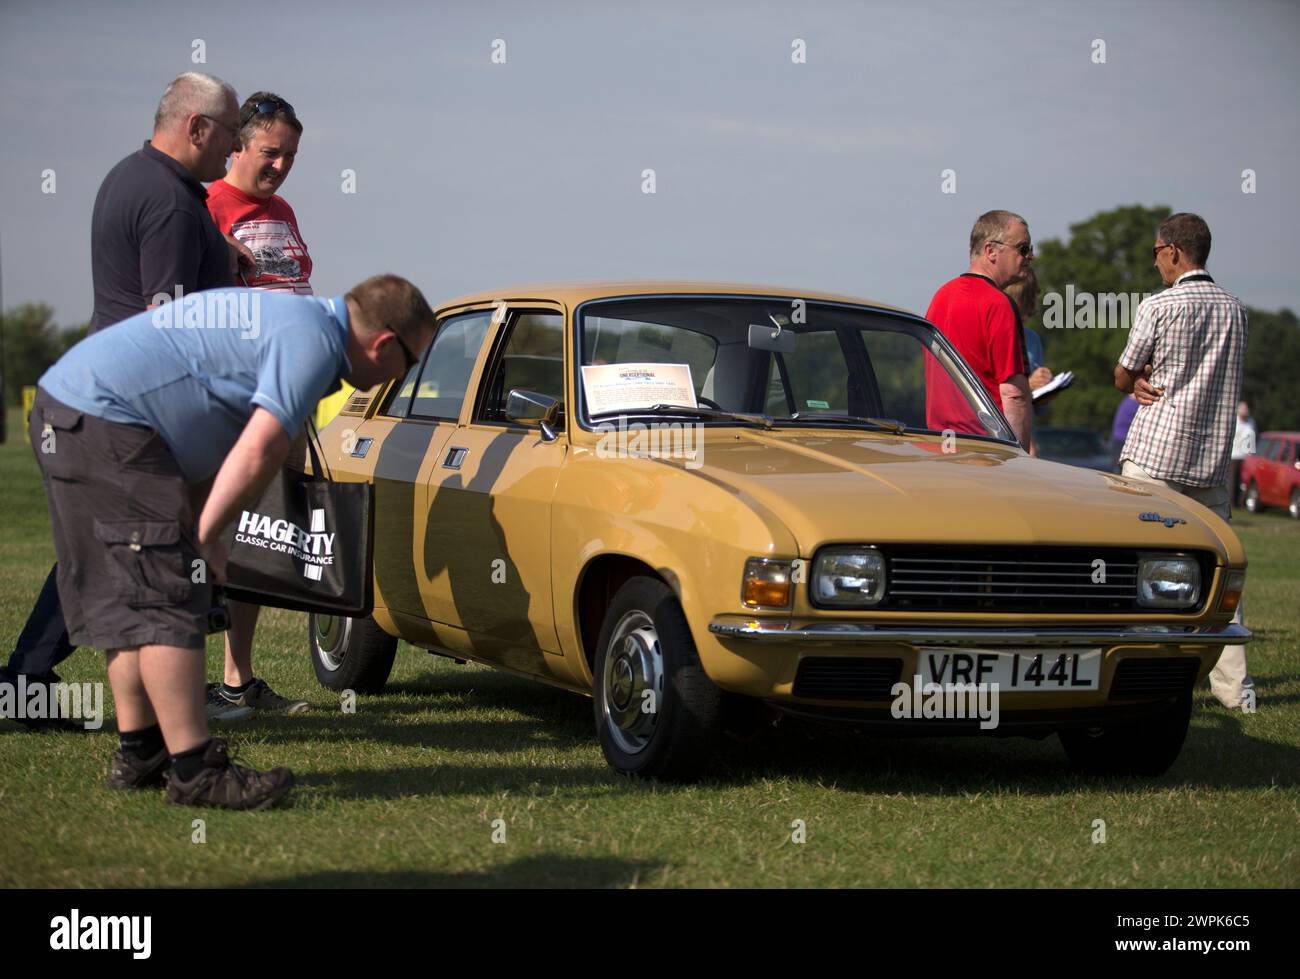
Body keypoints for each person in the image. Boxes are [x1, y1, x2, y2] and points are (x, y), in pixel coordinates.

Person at [29, 275, 436, 807]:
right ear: (384, 344)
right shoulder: (312, 340)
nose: (402, 378)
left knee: (133, 599)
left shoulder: (295, 324)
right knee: (165, 599)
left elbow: (208, 436)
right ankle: (196, 771)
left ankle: (141, 752)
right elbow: (262, 447)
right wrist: (203, 538)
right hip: (106, 423)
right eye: (409, 364)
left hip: (77, 413)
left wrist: (203, 528)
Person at [1, 72, 242, 732]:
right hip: (133, 412)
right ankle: (36, 684)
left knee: (100, 548)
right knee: (137, 553)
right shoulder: (169, 201)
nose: (235, 147)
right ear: (196, 127)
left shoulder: (131, 177)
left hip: (95, 396)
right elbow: (165, 326)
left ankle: (25, 678)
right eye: (231, 133)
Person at [1114, 212, 1252, 711]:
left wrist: (1137, 379)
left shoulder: (1158, 305)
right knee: (1221, 574)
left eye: (1155, 253)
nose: (1155, 263)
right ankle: (1236, 690)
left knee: (1136, 568)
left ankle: (1135, 669)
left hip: (1156, 453)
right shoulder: (1237, 310)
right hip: (1212, 460)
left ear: (1173, 251)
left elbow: (1122, 374)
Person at [204, 92, 314, 720]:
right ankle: (182, 687)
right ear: (237, 145)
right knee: (214, 537)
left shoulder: (284, 210)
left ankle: (237, 682)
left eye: (291, 155)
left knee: (262, 538)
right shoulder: (207, 205)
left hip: (288, 394)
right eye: (271, 152)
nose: (280, 166)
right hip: (238, 400)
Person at [924, 210, 1036, 454]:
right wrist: (1018, 458)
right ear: (991, 251)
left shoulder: (940, 296)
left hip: (937, 446)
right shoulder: (999, 304)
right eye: (1023, 248)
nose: (1031, 256)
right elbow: (1013, 393)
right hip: (984, 452)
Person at [1003, 269, 1053, 392]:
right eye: (1020, 312)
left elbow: (1041, 407)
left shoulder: (1032, 339)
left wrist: (1046, 386)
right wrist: (1028, 385)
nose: (1025, 317)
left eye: (1029, 312)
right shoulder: (988, 337)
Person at [1230, 400, 1257, 507]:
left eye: (1246, 409)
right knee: (1232, 479)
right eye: (1243, 409)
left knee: (1244, 480)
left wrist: (1252, 453)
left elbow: (1252, 437)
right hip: (1234, 454)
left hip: (1246, 456)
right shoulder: (1234, 421)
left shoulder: (1251, 422)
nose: (1245, 411)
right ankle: (1231, 501)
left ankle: (1242, 502)